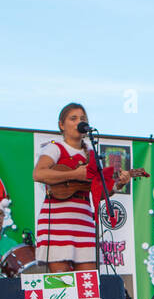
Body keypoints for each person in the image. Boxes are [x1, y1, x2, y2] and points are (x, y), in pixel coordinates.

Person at [33, 102, 131, 273]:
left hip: (83, 222)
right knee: (62, 283)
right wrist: (73, 174)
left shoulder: (91, 154)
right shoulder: (55, 148)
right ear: (61, 125)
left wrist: (119, 184)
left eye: (82, 119)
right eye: (73, 118)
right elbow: (39, 174)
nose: (79, 121)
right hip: (57, 222)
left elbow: (98, 194)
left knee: (88, 282)